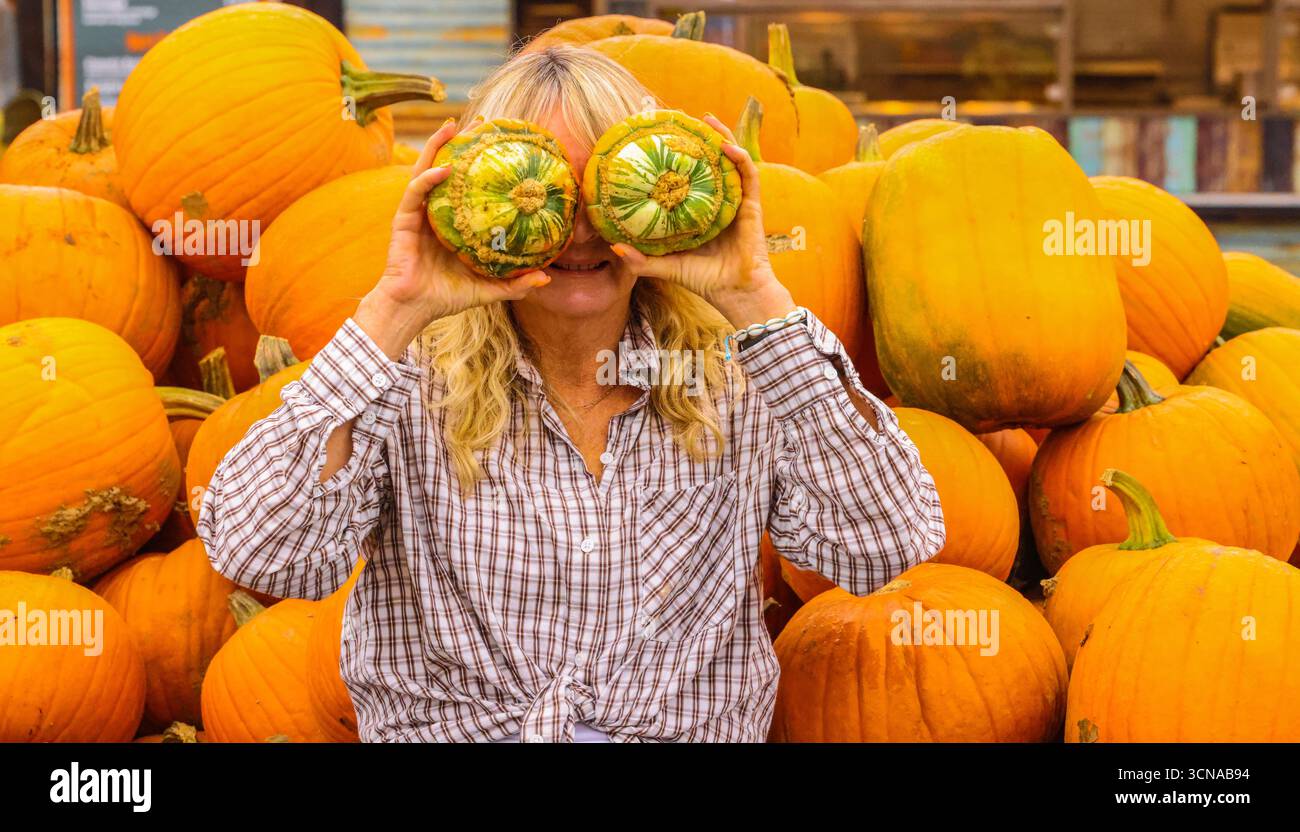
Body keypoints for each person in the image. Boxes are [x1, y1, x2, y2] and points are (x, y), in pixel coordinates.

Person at [199, 45, 944, 743]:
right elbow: (265, 553)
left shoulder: (739, 379)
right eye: (539, 189)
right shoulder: (405, 383)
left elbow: (885, 547)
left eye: (611, 189)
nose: (579, 228)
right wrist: (394, 309)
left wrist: (758, 299)